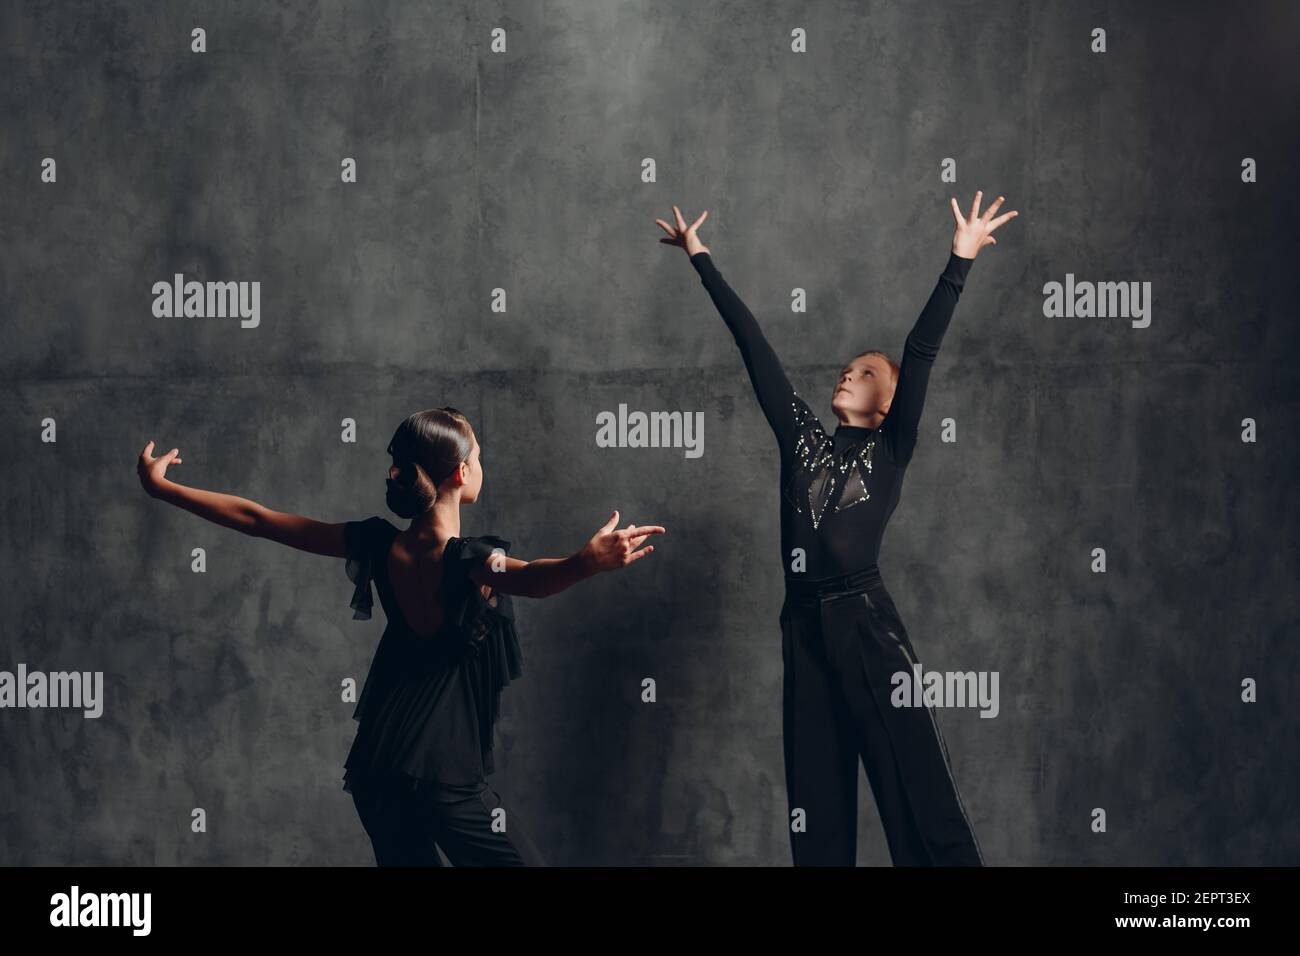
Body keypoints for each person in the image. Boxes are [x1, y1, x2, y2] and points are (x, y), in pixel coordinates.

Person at [655, 192, 1018, 865]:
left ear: (887, 403)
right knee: (815, 805)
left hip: (866, 622)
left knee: (915, 784)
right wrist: (701, 259)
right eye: (849, 368)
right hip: (803, 625)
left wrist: (959, 261)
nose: (851, 373)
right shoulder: (800, 440)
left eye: (869, 373)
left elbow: (920, 349)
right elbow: (754, 346)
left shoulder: (893, 445)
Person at [136, 406, 665, 866]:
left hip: (379, 771)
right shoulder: (470, 559)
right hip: (442, 777)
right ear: (461, 472)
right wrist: (586, 562)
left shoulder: (377, 544)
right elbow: (530, 579)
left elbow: (258, 519)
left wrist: (163, 488)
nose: (482, 464)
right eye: (478, 456)